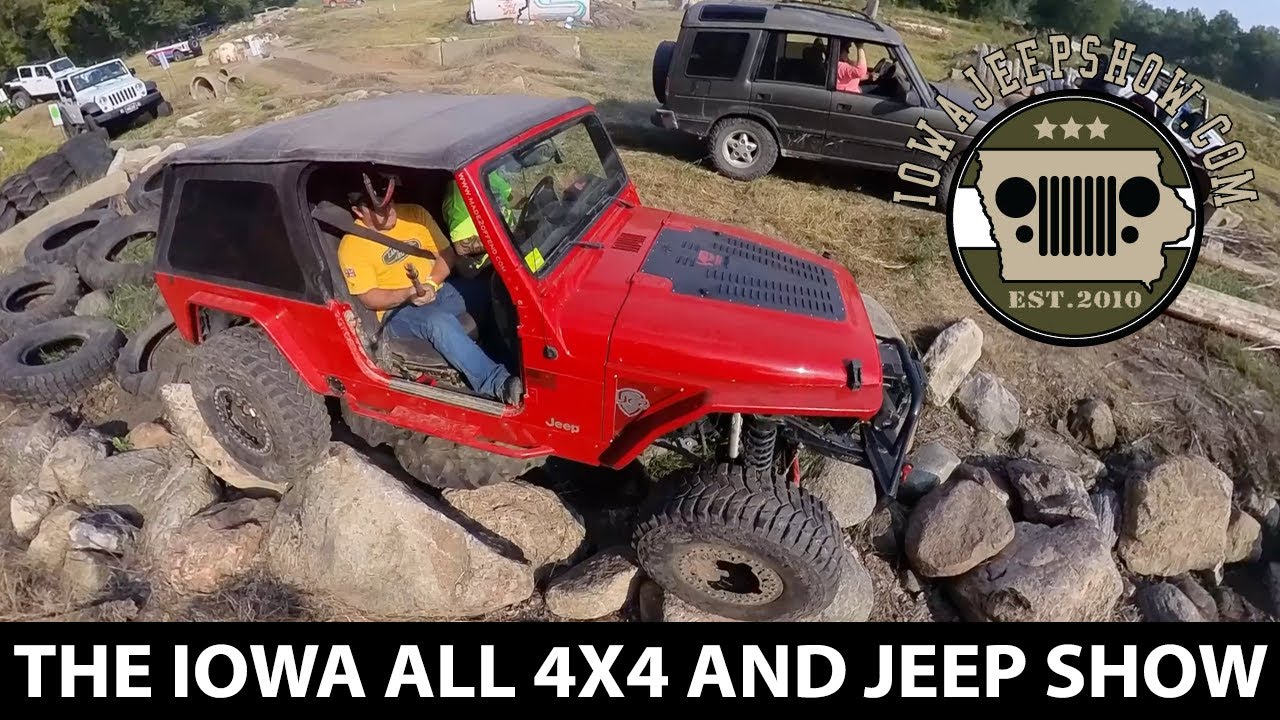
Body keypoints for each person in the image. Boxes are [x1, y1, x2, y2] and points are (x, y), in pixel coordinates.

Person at [337, 170, 522, 404]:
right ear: (358, 212)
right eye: (378, 210)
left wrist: (431, 283)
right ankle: (498, 383)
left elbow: (446, 254)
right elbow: (368, 297)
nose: (389, 211)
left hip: (438, 291)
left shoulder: (415, 214)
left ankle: (515, 361)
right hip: (397, 312)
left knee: (493, 292)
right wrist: (408, 293)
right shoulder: (352, 246)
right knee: (438, 322)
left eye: (390, 203)